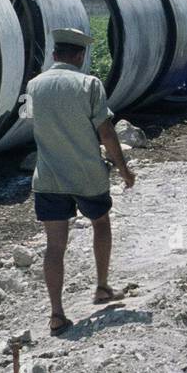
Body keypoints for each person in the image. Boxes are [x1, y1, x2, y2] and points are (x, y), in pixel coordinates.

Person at [24, 27, 135, 336]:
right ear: (79, 55)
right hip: (86, 174)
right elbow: (107, 132)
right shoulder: (89, 84)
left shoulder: (34, 85)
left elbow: (30, 120)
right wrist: (123, 170)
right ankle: (101, 288)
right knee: (100, 222)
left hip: (48, 177)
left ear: (54, 54)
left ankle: (57, 314)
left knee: (55, 245)